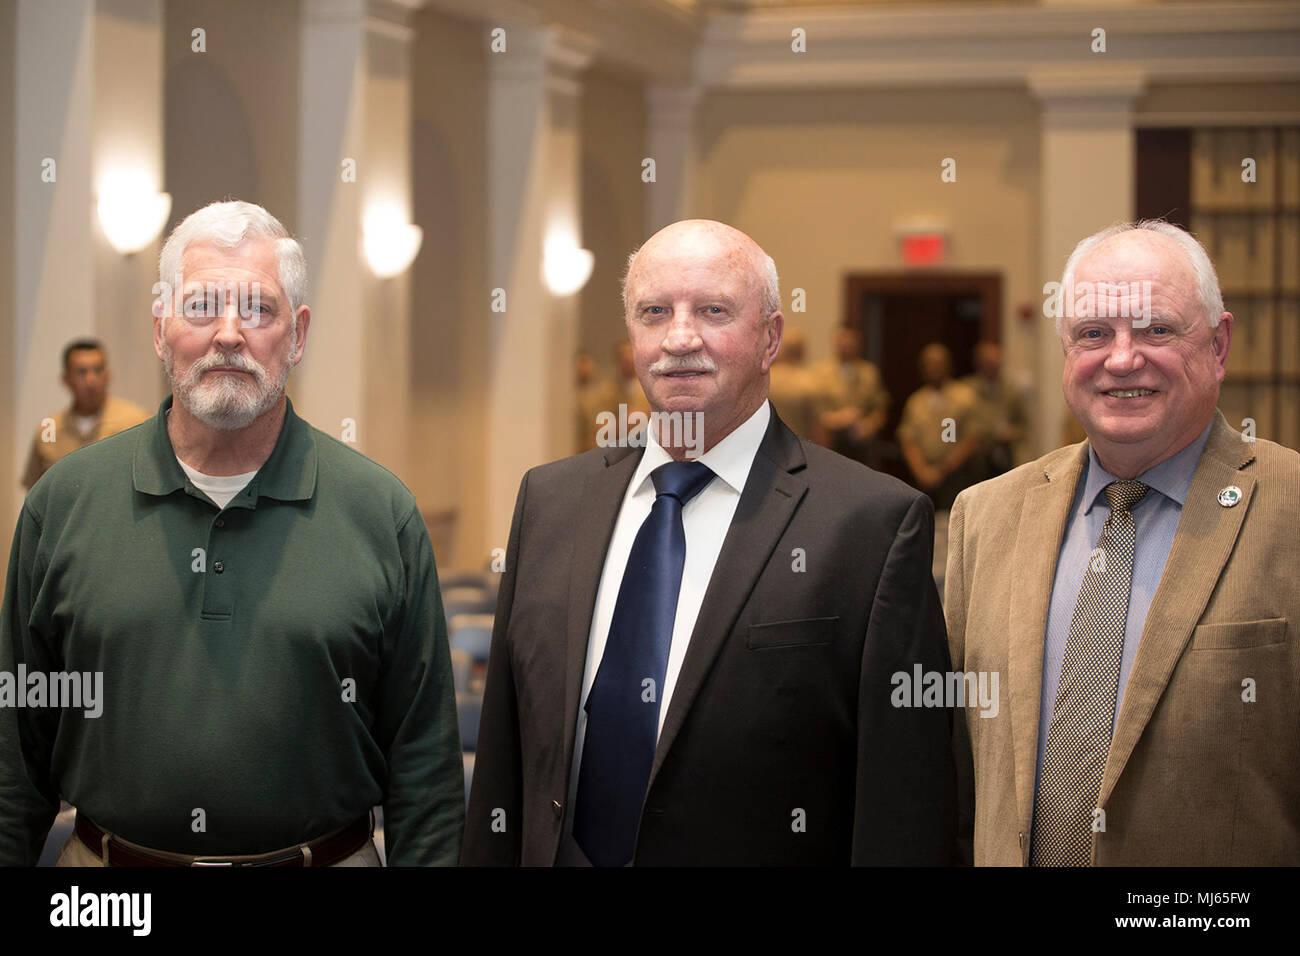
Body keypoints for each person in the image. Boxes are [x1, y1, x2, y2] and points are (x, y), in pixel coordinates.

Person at [462, 219, 959, 866]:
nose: (680, 338)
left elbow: (903, 805)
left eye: (714, 311)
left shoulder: (871, 523)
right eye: (654, 312)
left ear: (770, 338)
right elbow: (505, 757)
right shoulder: (551, 503)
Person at [0, 200, 463, 867]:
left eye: (258, 309)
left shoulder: (380, 512)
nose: (228, 334)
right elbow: (15, 755)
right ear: (161, 329)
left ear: (298, 335)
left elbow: (427, 773)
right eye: (200, 306)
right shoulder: (63, 502)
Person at [945, 220, 1299, 865]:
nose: (1122, 358)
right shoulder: (986, 517)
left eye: (1157, 329)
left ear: (1218, 345)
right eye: (1093, 334)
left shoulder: (1291, 509)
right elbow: (954, 771)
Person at [20, 339, 150, 489]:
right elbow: (35, 490)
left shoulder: (136, 421)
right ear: (66, 380)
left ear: (108, 375)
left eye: (98, 370)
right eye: (82, 372)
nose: (91, 380)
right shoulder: (49, 429)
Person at [896, 343, 980, 510]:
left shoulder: (964, 396)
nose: (933, 368)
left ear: (948, 366)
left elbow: (972, 438)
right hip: (924, 478)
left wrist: (943, 469)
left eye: (938, 363)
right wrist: (922, 471)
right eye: (929, 364)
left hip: (957, 477)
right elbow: (908, 440)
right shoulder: (916, 402)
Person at [809, 326, 889, 463]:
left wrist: (869, 426)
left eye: (852, 342)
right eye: (843, 341)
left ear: (859, 344)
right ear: (835, 342)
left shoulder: (869, 373)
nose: (847, 346)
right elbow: (812, 414)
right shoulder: (819, 373)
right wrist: (838, 419)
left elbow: (881, 409)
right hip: (830, 445)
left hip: (862, 447)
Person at [960, 341, 1026, 481]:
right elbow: (950, 424)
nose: (994, 367)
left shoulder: (1011, 392)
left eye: (997, 362)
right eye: (989, 363)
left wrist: (1012, 433)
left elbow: (1024, 425)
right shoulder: (964, 390)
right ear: (979, 363)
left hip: (1001, 458)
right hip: (970, 461)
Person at [766, 326, 819, 440]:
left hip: (767, 446)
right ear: (802, 351)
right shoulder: (810, 382)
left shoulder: (765, 379)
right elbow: (817, 428)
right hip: (799, 448)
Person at [574, 349, 619, 453]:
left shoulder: (608, 390)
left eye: (585, 362)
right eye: (579, 364)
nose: (583, 368)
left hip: (602, 444)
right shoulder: (571, 395)